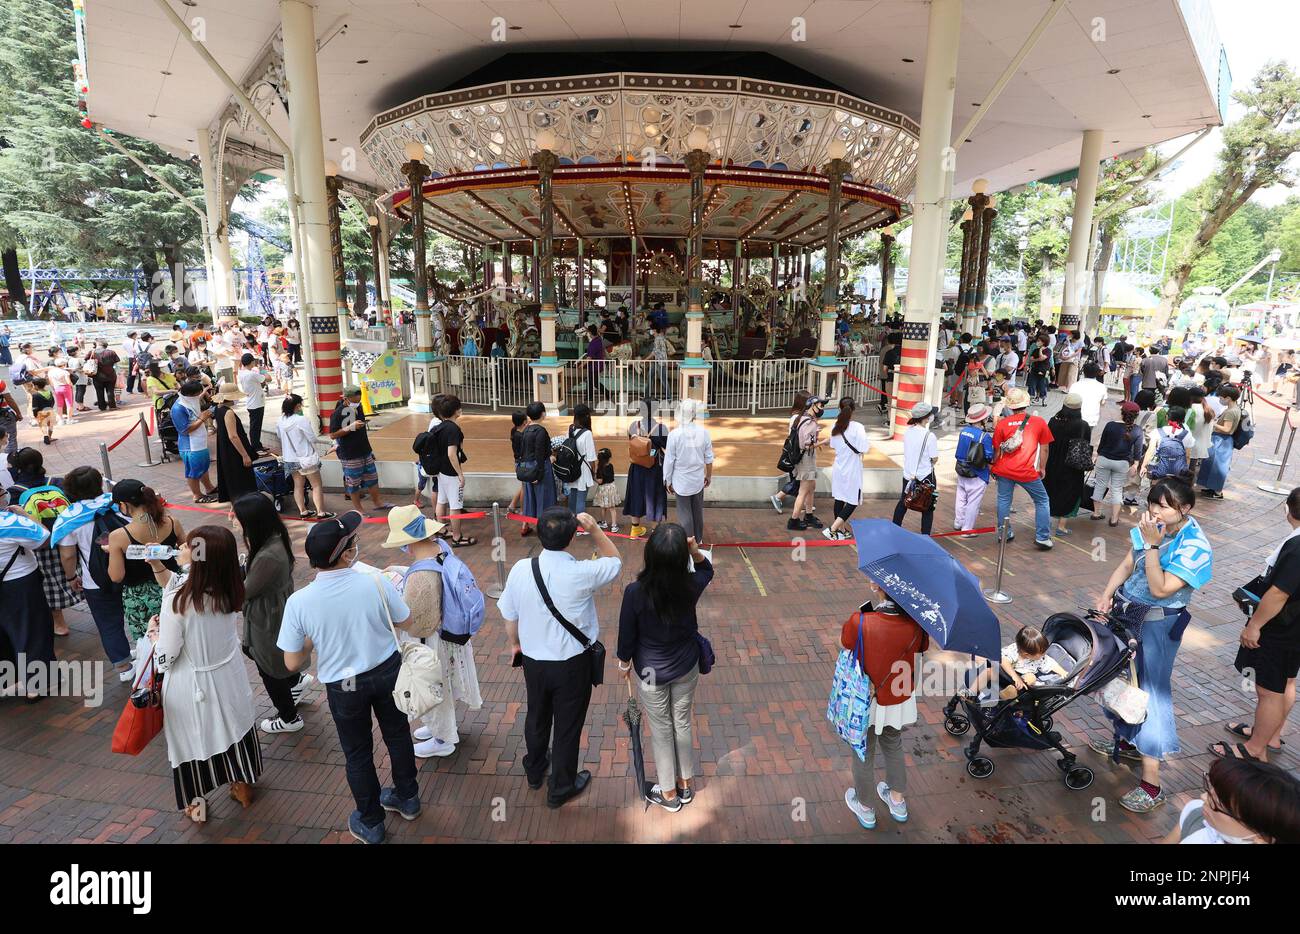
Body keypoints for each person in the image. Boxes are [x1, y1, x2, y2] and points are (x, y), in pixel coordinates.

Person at [279, 511, 420, 844]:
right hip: (387, 669)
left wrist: (313, 640)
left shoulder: (299, 602)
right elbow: (407, 621)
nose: (356, 545)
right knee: (397, 734)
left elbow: (291, 662)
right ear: (344, 553)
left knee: (357, 752)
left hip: (343, 683)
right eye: (352, 542)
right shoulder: (376, 581)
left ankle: (371, 822)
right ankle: (408, 797)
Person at [1091, 477, 1213, 813]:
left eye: (1162, 505)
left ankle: (1152, 783)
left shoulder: (1195, 547)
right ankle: (1128, 741)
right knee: (1120, 682)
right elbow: (1129, 564)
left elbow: (1160, 589)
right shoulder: (1151, 528)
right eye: (1151, 503)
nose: (1153, 510)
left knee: (1150, 694)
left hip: (1157, 625)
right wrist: (1106, 593)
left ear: (1184, 509)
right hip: (1125, 613)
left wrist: (1153, 545)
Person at [498, 507, 621, 808]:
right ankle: (561, 787)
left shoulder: (520, 569)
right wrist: (594, 529)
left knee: (537, 716)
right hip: (572, 664)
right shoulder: (582, 572)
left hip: (534, 661)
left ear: (539, 533)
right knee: (567, 726)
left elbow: (509, 615)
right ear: (572, 537)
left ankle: (535, 768)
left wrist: (515, 644)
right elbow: (615, 561)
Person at [147, 525, 260, 822]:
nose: (182, 547)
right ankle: (242, 784)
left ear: (199, 556)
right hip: (227, 673)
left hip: (192, 683)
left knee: (192, 740)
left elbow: (166, 658)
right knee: (234, 729)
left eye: (188, 545)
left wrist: (154, 637)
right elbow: (180, 581)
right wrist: (159, 566)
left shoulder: (179, 601)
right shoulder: (229, 585)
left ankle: (195, 803)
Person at [616, 523, 713, 811]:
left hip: (650, 671)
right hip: (685, 664)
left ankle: (668, 793)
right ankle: (685, 784)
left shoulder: (635, 591)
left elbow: (627, 634)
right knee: (681, 722)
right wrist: (695, 551)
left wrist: (623, 662)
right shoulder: (691, 584)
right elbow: (707, 571)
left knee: (661, 728)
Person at [380, 505, 482, 760]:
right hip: (449, 635)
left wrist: (393, 607)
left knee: (433, 688)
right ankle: (441, 728)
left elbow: (417, 624)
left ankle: (443, 739)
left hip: (431, 642)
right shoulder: (441, 549)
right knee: (443, 686)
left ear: (409, 542)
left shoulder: (421, 575)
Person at [839, 575, 929, 830]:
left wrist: (860, 617)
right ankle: (897, 800)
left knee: (863, 749)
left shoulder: (861, 620)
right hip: (898, 697)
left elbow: (844, 643)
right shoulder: (916, 623)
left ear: (877, 587)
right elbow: (922, 647)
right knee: (893, 742)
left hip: (865, 698)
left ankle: (865, 806)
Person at [1217, 488, 1300, 762]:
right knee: (1285, 682)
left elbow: (1279, 593)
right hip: (1293, 630)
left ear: (1288, 509)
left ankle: (1255, 747)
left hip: (1281, 630)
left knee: (1268, 691)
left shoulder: (1297, 547)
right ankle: (1269, 736)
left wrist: (1254, 625)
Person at [230, 494, 312, 735]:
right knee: (276, 655)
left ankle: (288, 716)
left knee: (268, 666)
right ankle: (295, 682)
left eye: (236, 515)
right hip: (276, 610)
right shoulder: (273, 539)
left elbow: (244, 592)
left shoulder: (267, 554)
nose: (231, 518)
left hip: (268, 616)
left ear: (252, 522)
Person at [53, 467, 132, 682]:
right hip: (133, 572)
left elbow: (68, 556)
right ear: (99, 483)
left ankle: (124, 666)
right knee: (141, 615)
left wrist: (71, 578)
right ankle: (148, 654)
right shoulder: (118, 503)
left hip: (96, 581)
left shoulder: (68, 517)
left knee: (108, 624)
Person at [105, 480, 183, 642]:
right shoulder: (172, 522)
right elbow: (187, 554)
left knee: (151, 645)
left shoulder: (118, 536)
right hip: (173, 588)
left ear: (124, 505)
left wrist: (112, 551)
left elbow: (116, 576)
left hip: (141, 600)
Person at [1166, 757, 1300, 844]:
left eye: (1218, 804)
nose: (1203, 797)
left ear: (1261, 839)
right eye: (1212, 790)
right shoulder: (1196, 813)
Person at [0, 496, 56, 696]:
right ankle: (38, 684)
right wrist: (25, 515)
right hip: (19, 583)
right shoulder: (10, 521)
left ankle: (7, 681)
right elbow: (45, 538)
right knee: (31, 630)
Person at [990, 387, 1055, 550]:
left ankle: (1004, 533)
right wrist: (1042, 467)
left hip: (1004, 469)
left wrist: (993, 465)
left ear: (1009, 406)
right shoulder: (1038, 422)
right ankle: (1042, 537)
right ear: (1025, 404)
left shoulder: (1002, 424)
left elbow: (997, 449)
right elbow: (1045, 448)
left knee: (1004, 500)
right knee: (1042, 500)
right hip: (1026, 470)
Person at [328, 387, 392, 513]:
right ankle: (359, 510)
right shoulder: (337, 413)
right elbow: (333, 434)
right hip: (350, 454)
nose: (357, 403)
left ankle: (378, 502)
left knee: (372, 478)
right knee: (353, 483)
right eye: (354, 401)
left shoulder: (358, 407)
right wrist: (350, 427)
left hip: (365, 450)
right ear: (346, 399)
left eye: (359, 400)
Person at [663, 399, 714, 545]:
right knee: (697, 510)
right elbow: (709, 458)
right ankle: (698, 538)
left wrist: (667, 480)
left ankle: (689, 541)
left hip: (681, 479)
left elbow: (669, 460)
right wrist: (708, 476)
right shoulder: (704, 433)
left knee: (684, 512)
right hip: (697, 477)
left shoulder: (674, 435)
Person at [276, 394, 333, 519]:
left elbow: (279, 436)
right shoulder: (301, 419)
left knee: (298, 485)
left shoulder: (280, 420)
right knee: (316, 485)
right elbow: (312, 438)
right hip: (305, 458)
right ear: (297, 406)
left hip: (289, 459)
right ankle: (321, 512)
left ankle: (303, 511)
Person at [1044, 393, 1091, 537]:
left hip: (1052, 463)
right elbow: (1085, 446)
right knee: (1069, 493)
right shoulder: (1082, 425)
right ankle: (1062, 527)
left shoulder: (1053, 421)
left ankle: (1046, 521)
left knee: (1051, 491)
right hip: (1072, 467)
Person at [1090, 401, 1144, 526]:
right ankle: (1114, 519)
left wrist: (1097, 456)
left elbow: (1102, 443)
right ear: (1136, 416)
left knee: (1100, 485)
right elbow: (1138, 451)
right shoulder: (1137, 430)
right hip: (1122, 463)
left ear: (1122, 413)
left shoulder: (1110, 425)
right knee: (1117, 490)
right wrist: (1135, 465)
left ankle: (1096, 513)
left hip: (1104, 460)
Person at [622, 399, 668, 539]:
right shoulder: (661, 428)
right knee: (656, 496)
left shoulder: (633, 426)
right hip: (654, 468)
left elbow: (632, 443)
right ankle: (655, 531)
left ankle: (635, 530)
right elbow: (665, 448)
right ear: (655, 411)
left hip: (636, 466)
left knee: (636, 494)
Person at [826, 396, 870, 540]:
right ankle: (833, 529)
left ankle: (841, 530)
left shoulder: (836, 426)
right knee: (852, 501)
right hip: (853, 469)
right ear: (853, 410)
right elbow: (864, 447)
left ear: (840, 408)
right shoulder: (858, 427)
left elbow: (832, 445)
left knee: (839, 498)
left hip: (839, 467)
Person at [891, 402, 938, 536]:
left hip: (908, 475)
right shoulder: (929, 436)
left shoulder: (908, 432)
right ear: (926, 417)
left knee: (903, 502)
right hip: (925, 476)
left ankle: (895, 528)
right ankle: (925, 536)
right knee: (928, 507)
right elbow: (934, 458)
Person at [170, 381, 218, 503]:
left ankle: (209, 488)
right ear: (191, 394)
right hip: (190, 446)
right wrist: (203, 418)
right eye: (198, 393)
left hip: (199, 442)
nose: (199, 396)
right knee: (194, 471)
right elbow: (185, 430)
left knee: (203, 467)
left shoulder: (190, 399)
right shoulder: (178, 408)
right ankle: (197, 495)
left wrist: (207, 390)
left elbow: (199, 396)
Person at [788, 395, 828, 532]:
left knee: (811, 487)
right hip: (806, 459)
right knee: (803, 491)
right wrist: (823, 442)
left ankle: (809, 515)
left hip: (804, 459)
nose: (822, 408)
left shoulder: (802, 418)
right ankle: (794, 520)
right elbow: (805, 445)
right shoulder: (809, 422)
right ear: (813, 406)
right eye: (821, 405)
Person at [953, 403, 995, 533]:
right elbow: (988, 456)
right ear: (982, 420)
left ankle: (958, 522)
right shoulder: (984, 436)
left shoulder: (963, 431)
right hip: (977, 473)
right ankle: (967, 528)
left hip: (961, 469)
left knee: (961, 497)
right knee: (973, 502)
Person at [211, 390, 258, 504]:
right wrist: (245, 455)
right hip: (234, 451)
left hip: (225, 449)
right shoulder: (228, 412)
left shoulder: (218, 408)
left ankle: (235, 509)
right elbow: (233, 436)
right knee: (241, 482)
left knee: (232, 480)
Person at [517, 401, 556, 538]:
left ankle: (526, 524)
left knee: (530, 499)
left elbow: (522, 451)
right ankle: (544, 529)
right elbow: (540, 453)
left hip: (528, 467)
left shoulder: (526, 429)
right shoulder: (541, 431)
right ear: (542, 414)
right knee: (544, 499)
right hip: (540, 468)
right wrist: (538, 474)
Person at [1197, 384, 1241, 500]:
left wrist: (1213, 423)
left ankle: (1217, 491)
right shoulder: (1234, 409)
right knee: (1214, 465)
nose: (1220, 400)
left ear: (1228, 398)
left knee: (1218, 466)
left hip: (1222, 440)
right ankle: (1212, 489)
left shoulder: (1231, 412)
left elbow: (1227, 429)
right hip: (1223, 440)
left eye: (1222, 398)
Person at [562, 402, 599, 520]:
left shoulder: (570, 430)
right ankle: (580, 526)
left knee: (573, 496)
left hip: (572, 468)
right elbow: (591, 457)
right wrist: (594, 471)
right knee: (581, 499)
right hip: (583, 469)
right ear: (586, 417)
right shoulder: (587, 433)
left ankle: (571, 522)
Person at [237, 353, 270, 455]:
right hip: (256, 403)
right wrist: (262, 369)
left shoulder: (242, 373)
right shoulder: (251, 374)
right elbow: (268, 378)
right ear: (251, 362)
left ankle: (257, 445)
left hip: (252, 402)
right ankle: (256, 448)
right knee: (255, 426)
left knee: (255, 426)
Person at [1069, 362, 1109, 440]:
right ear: (1097, 373)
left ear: (1084, 372)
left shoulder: (1075, 385)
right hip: (1092, 418)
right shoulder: (1102, 387)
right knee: (1086, 439)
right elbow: (1103, 403)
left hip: (1075, 417)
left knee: (1073, 438)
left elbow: (1069, 401)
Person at [591, 447, 622, 533]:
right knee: (612, 508)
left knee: (603, 507)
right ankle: (614, 526)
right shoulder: (610, 466)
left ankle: (604, 522)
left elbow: (600, 481)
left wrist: (594, 478)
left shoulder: (600, 468)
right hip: (611, 487)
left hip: (603, 489)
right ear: (609, 457)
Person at [46, 351, 75, 426]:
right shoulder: (65, 372)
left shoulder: (51, 372)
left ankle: (60, 420)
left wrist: (54, 387)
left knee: (59, 405)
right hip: (65, 387)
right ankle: (69, 419)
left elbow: (51, 382)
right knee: (69, 404)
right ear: (64, 364)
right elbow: (68, 382)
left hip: (57, 388)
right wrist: (71, 385)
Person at [28, 378, 55, 445]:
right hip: (50, 411)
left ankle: (45, 435)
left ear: (36, 386)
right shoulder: (49, 392)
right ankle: (50, 437)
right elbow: (53, 402)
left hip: (41, 413)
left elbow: (35, 407)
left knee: (43, 425)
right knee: (50, 425)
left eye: (33, 385)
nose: (33, 387)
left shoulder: (35, 395)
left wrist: (35, 415)